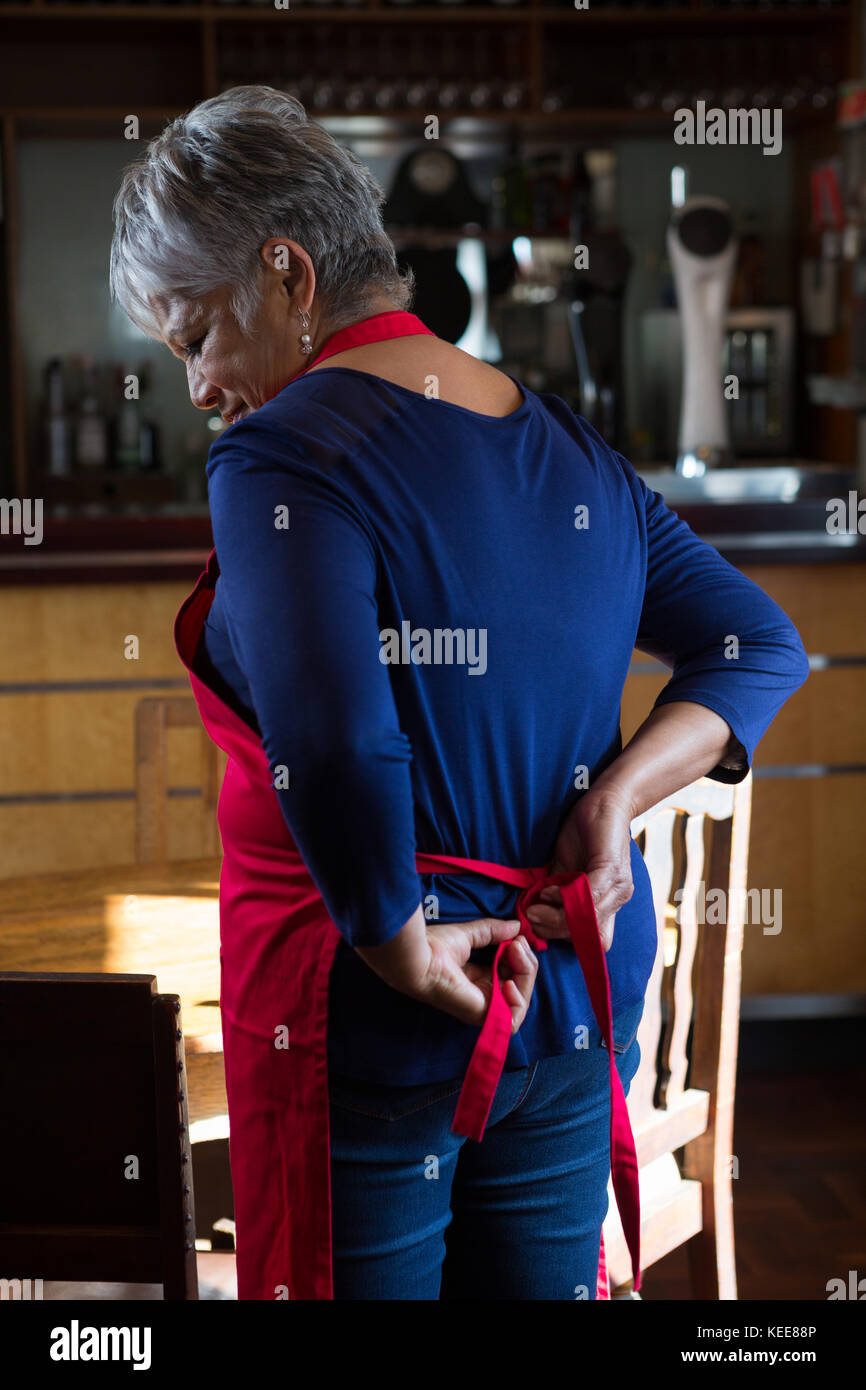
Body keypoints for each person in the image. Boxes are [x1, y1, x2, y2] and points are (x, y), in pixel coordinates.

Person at [110, 85, 810, 1301]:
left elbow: (335, 745)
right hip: (567, 991)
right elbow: (758, 647)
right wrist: (616, 805)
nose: (198, 387)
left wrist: (393, 945)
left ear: (286, 275)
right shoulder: (572, 447)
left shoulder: (284, 452)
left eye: (193, 337)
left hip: (382, 1012)